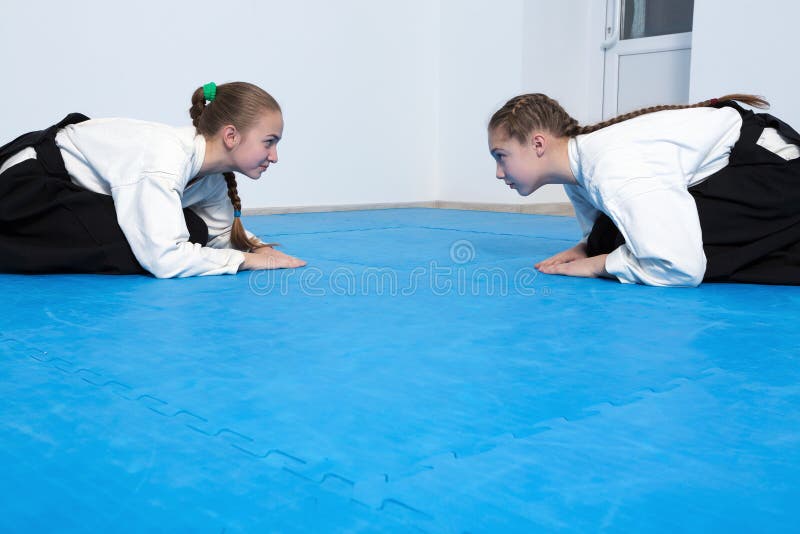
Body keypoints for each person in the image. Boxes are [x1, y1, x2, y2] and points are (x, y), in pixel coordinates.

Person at [488, 93, 800, 286]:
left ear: (537, 144)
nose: (499, 173)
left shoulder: (610, 167)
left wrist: (598, 265)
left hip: (776, 171)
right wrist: (584, 249)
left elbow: (681, 268)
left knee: (680, 252)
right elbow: (604, 231)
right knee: (614, 237)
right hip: (748, 166)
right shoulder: (577, 169)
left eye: (501, 156)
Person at [0, 81, 306, 278]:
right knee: (138, 248)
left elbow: (220, 232)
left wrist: (260, 249)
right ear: (230, 136)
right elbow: (164, 259)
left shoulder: (210, 178)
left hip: (69, 191)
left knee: (194, 229)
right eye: (269, 142)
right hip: (25, 189)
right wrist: (245, 262)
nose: (275, 156)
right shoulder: (164, 161)